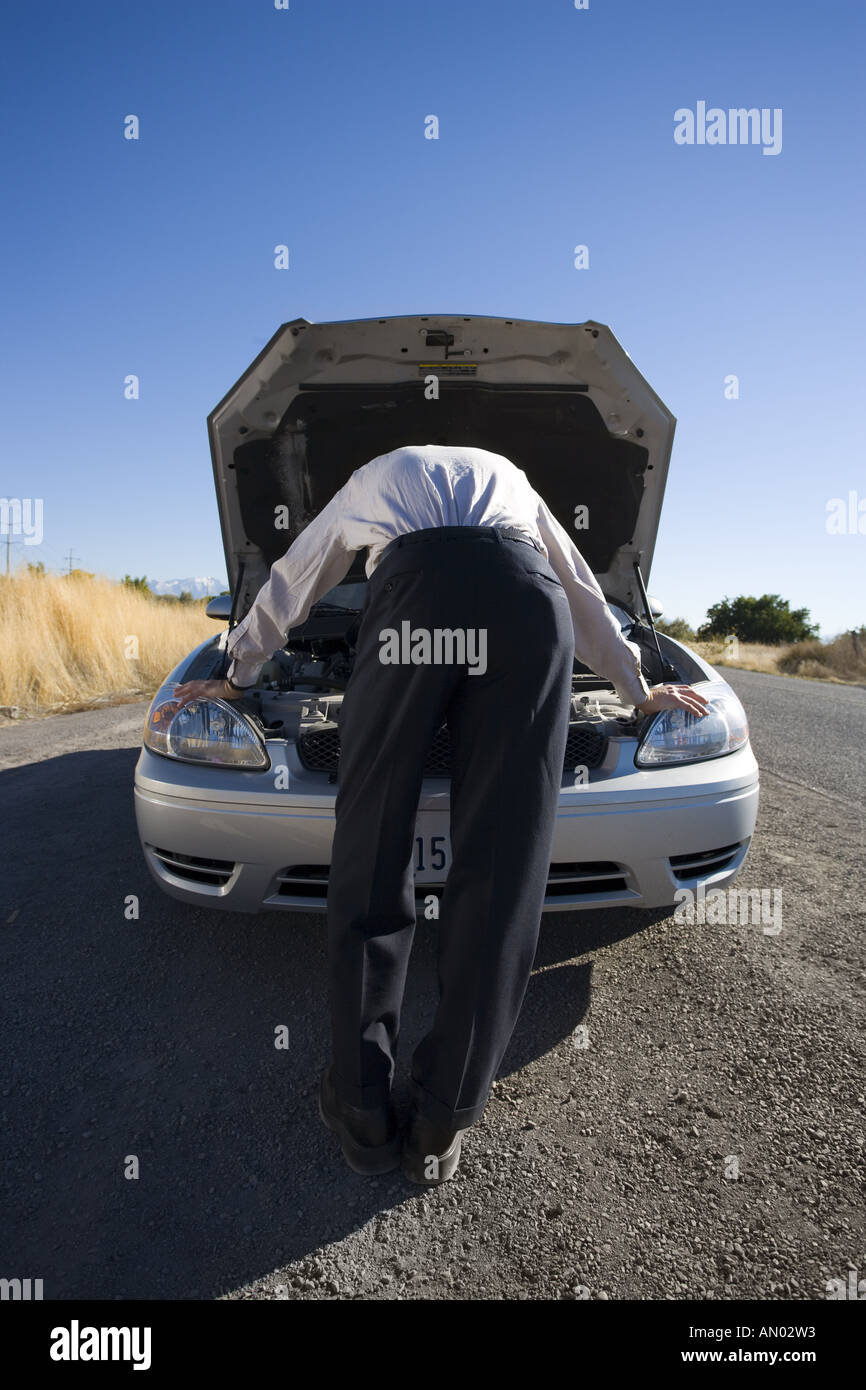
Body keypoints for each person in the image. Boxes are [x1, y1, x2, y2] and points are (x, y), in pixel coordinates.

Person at [173, 444, 710, 1184]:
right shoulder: (515, 479)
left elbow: (299, 573)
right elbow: (581, 589)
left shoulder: (374, 473)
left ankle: (363, 1110)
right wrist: (636, 685)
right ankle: (443, 1117)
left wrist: (238, 672)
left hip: (412, 616)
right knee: (502, 866)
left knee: (372, 847)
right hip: (528, 608)